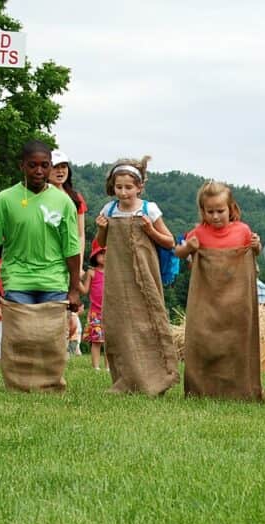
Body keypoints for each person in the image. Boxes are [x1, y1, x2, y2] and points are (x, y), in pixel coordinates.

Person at [0, 140, 80, 391]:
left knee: (50, 338)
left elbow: (72, 248)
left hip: (53, 279)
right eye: (32, 165)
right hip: (17, 277)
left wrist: (74, 289)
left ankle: (49, 383)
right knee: (21, 336)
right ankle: (20, 384)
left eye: (44, 165)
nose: (38, 171)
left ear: (50, 167)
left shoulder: (63, 202)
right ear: (22, 166)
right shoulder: (5, 200)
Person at [94, 156, 179, 395]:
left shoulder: (148, 209)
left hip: (144, 273)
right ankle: (126, 379)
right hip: (117, 274)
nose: (123, 192)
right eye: (119, 187)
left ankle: (156, 378)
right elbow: (102, 243)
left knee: (146, 320)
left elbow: (169, 240)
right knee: (119, 324)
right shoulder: (109, 210)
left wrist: (149, 229)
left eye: (128, 187)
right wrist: (102, 229)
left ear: (139, 187)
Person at [176, 181, 263, 400]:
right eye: (210, 211)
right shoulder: (198, 233)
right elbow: (179, 253)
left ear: (231, 209)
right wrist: (189, 248)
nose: (215, 216)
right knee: (204, 341)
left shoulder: (242, 230)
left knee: (236, 342)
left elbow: (253, 256)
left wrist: (256, 245)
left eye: (220, 211)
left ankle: (240, 390)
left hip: (235, 298)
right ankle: (200, 389)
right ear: (203, 211)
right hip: (207, 298)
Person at [49, 150, 88, 259]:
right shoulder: (38, 196)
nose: (60, 171)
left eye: (63, 167)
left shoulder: (76, 198)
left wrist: (79, 265)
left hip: (70, 255)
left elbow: (80, 235)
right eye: (55, 167)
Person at [79, 247, 106, 370]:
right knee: (96, 341)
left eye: (106, 253)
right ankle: (96, 367)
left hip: (110, 312)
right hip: (95, 312)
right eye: (101, 253)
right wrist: (75, 278)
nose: (104, 256)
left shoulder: (113, 272)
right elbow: (84, 290)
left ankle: (108, 367)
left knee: (109, 341)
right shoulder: (92, 272)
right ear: (95, 256)